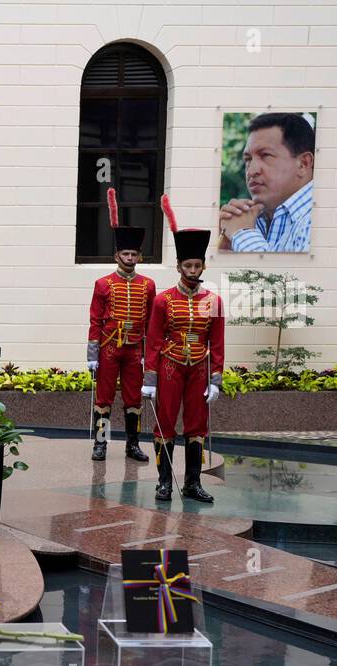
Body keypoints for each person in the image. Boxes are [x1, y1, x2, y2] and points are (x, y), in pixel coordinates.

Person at [144, 195, 225, 503]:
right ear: (178, 266)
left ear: (203, 265)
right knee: (165, 422)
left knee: (196, 425)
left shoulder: (213, 301)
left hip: (199, 369)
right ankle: (164, 482)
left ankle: (192, 483)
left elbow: (216, 342)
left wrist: (215, 378)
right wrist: (149, 380)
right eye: (187, 265)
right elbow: (153, 340)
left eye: (197, 265)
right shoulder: (163, 300)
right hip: (169, 366)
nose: (193, 270)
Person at [88, 188, 155, 463]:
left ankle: (132, 444)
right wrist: (92, 355)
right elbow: (94, 318)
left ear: (139, 257)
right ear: (117, 255)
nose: (129, 258)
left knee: (133, 401)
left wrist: (149, 356)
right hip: (109, 348)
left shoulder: (148, 285)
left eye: (134, 254)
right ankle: (101, 444)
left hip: (134, 350)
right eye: (125, 254)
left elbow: (152, 322)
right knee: (104, 399)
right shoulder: (103, 284)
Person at [218, 112, 315, 253]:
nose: (251, 171)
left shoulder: (318, 221)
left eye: (265, 155)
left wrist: (243, 235)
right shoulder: (252, 219)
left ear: (303, 164)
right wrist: (225, 245)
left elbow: (283, 275)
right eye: (248, 159)